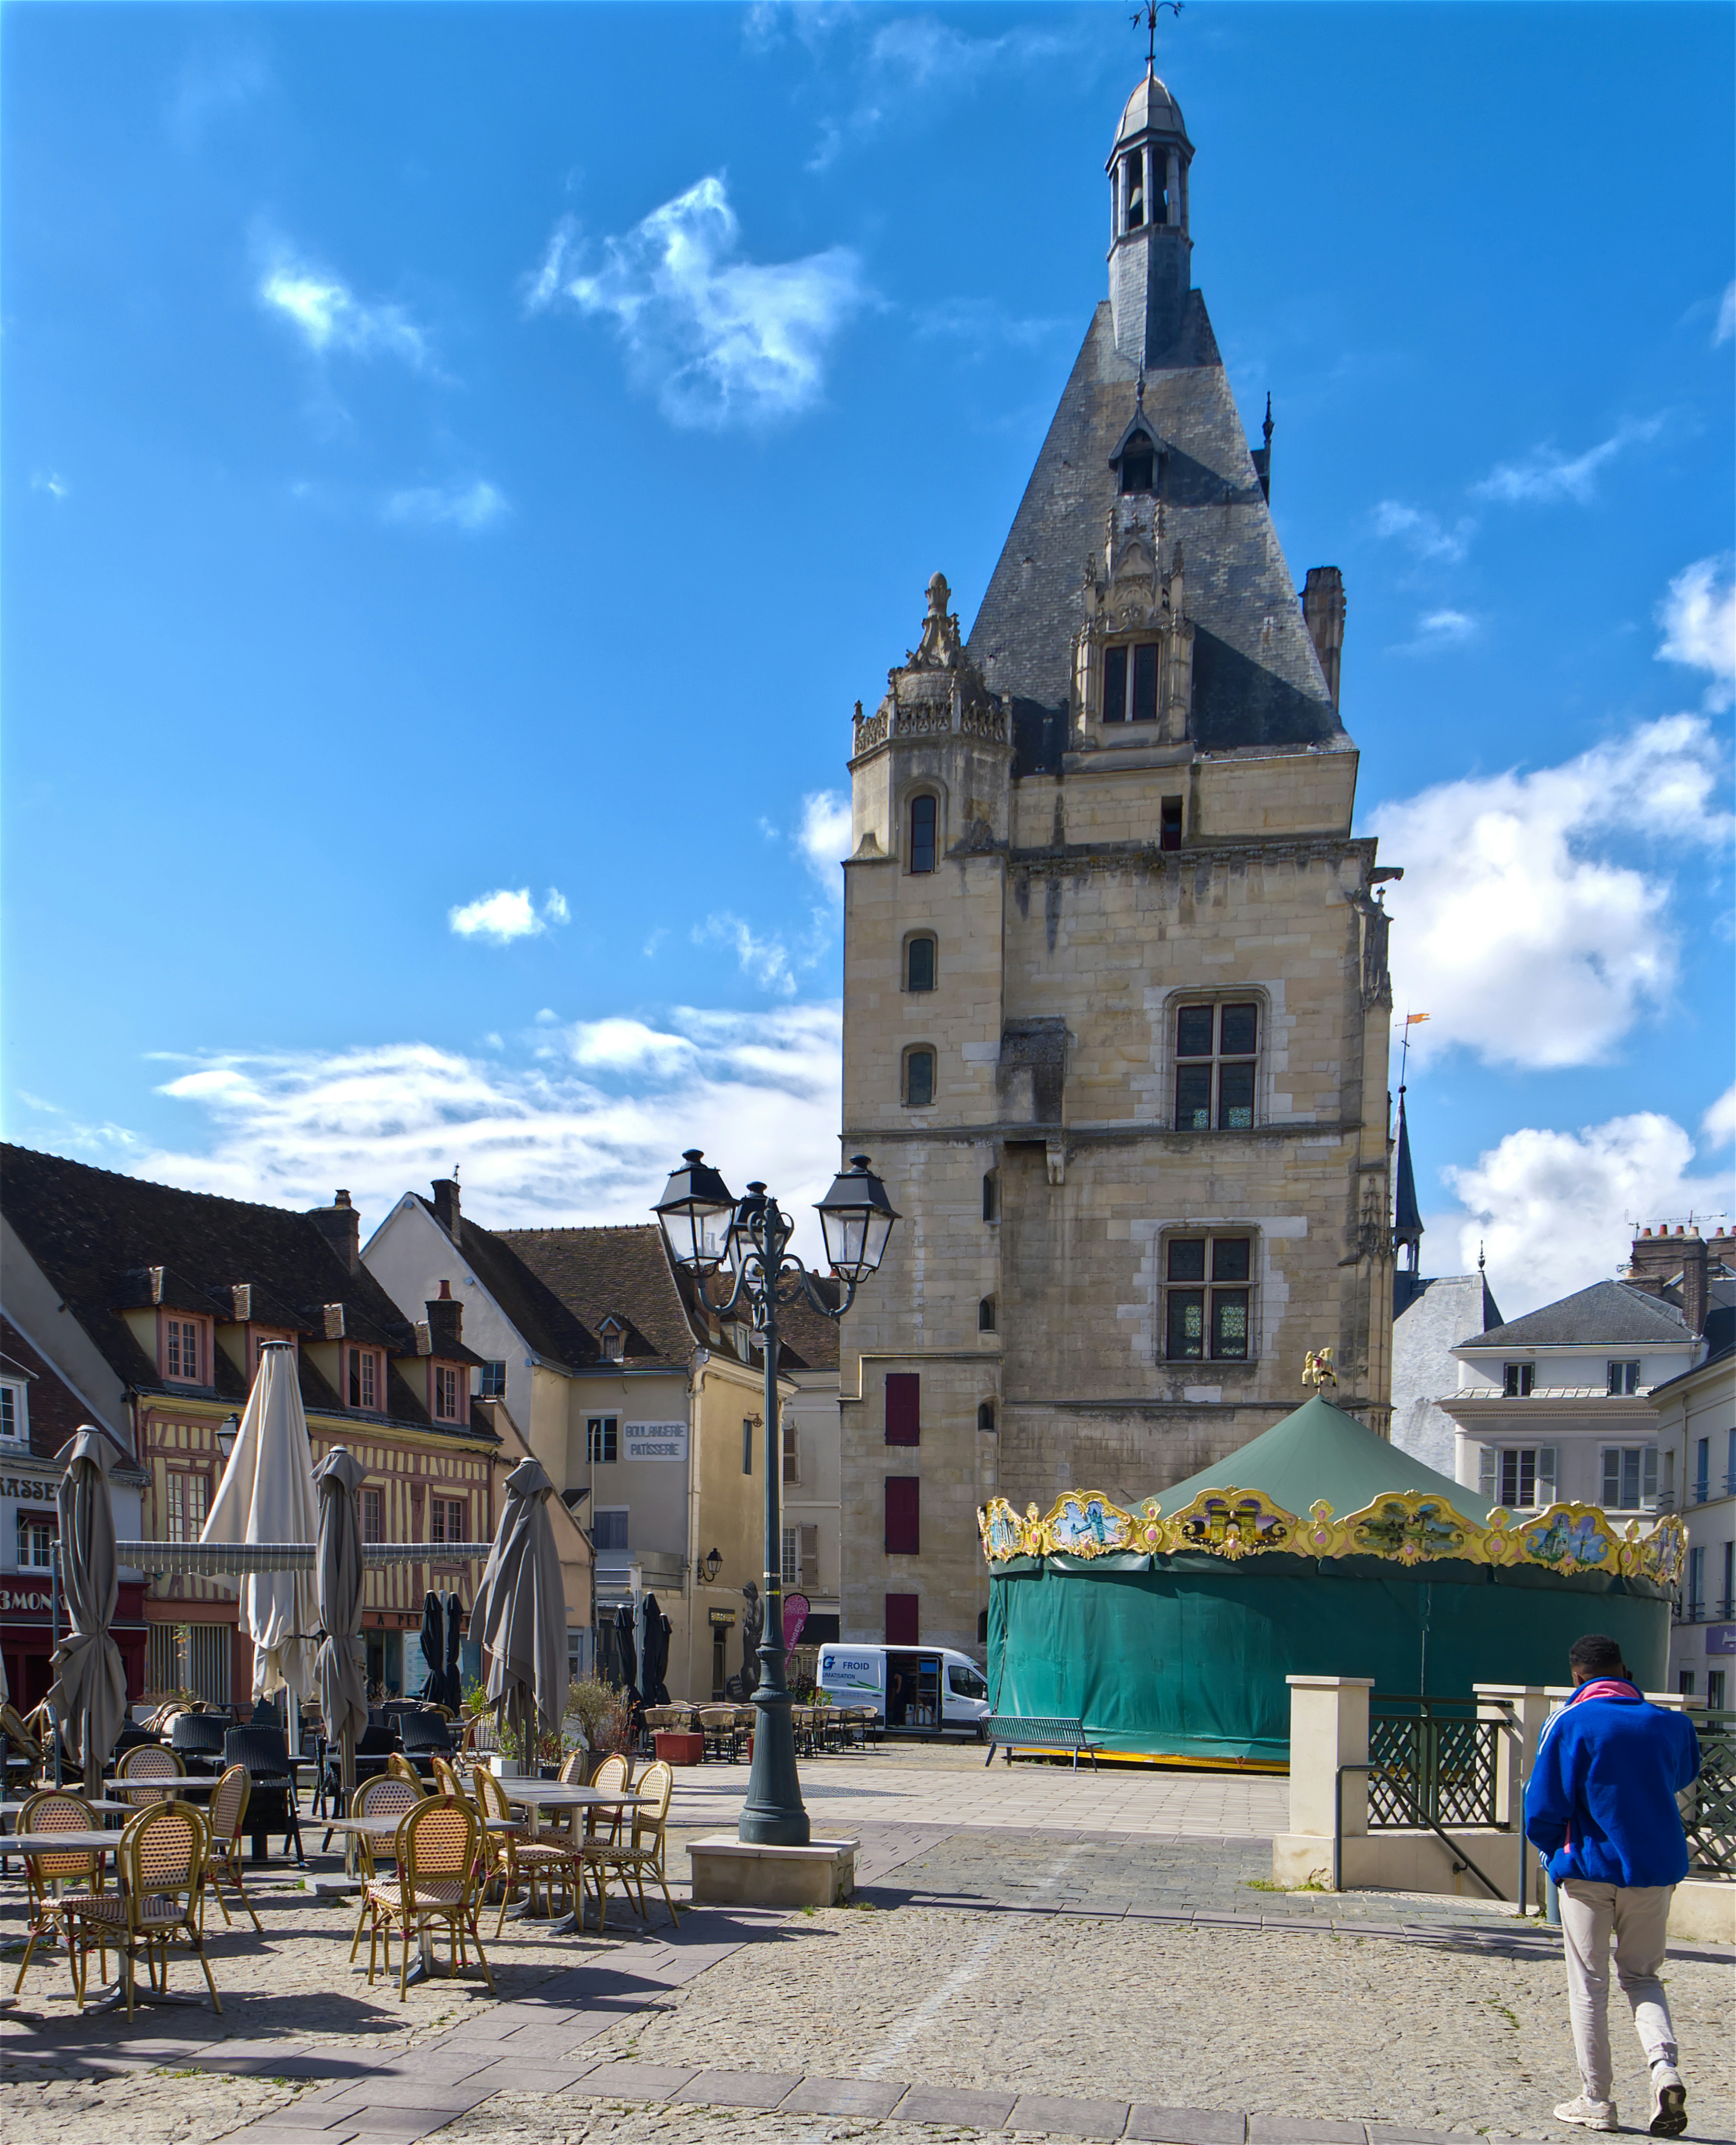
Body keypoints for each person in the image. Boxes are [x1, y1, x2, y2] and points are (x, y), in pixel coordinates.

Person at [1524, 1633, 1700, 2136]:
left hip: (1586, 1872)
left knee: (1589, 1986)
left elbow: (1543, 1806)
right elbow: (1680, 1776)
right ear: (1625, 1671)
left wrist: (1551, 1856)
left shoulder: (1569, 1723)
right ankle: (1663, 2069)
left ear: (1576, 1676)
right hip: (1652, 1872)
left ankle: (1596, 2100)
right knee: (1643, 1977)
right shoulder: (1671, 1725)